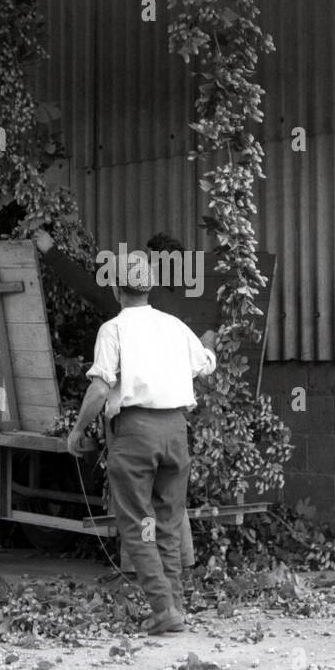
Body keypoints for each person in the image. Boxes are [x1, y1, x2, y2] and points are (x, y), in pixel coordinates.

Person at [67, 250, 217, 633]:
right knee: (167, 522)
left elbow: (100, 389)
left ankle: (163, 608)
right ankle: (176, 606)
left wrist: (78, 430)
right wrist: (209, 343)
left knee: (138, 523)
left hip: (135, 434)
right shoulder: (174, 326)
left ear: (118, 290)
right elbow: (205, 364)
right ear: (149, 288)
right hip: (175, 433)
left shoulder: (114, 330)